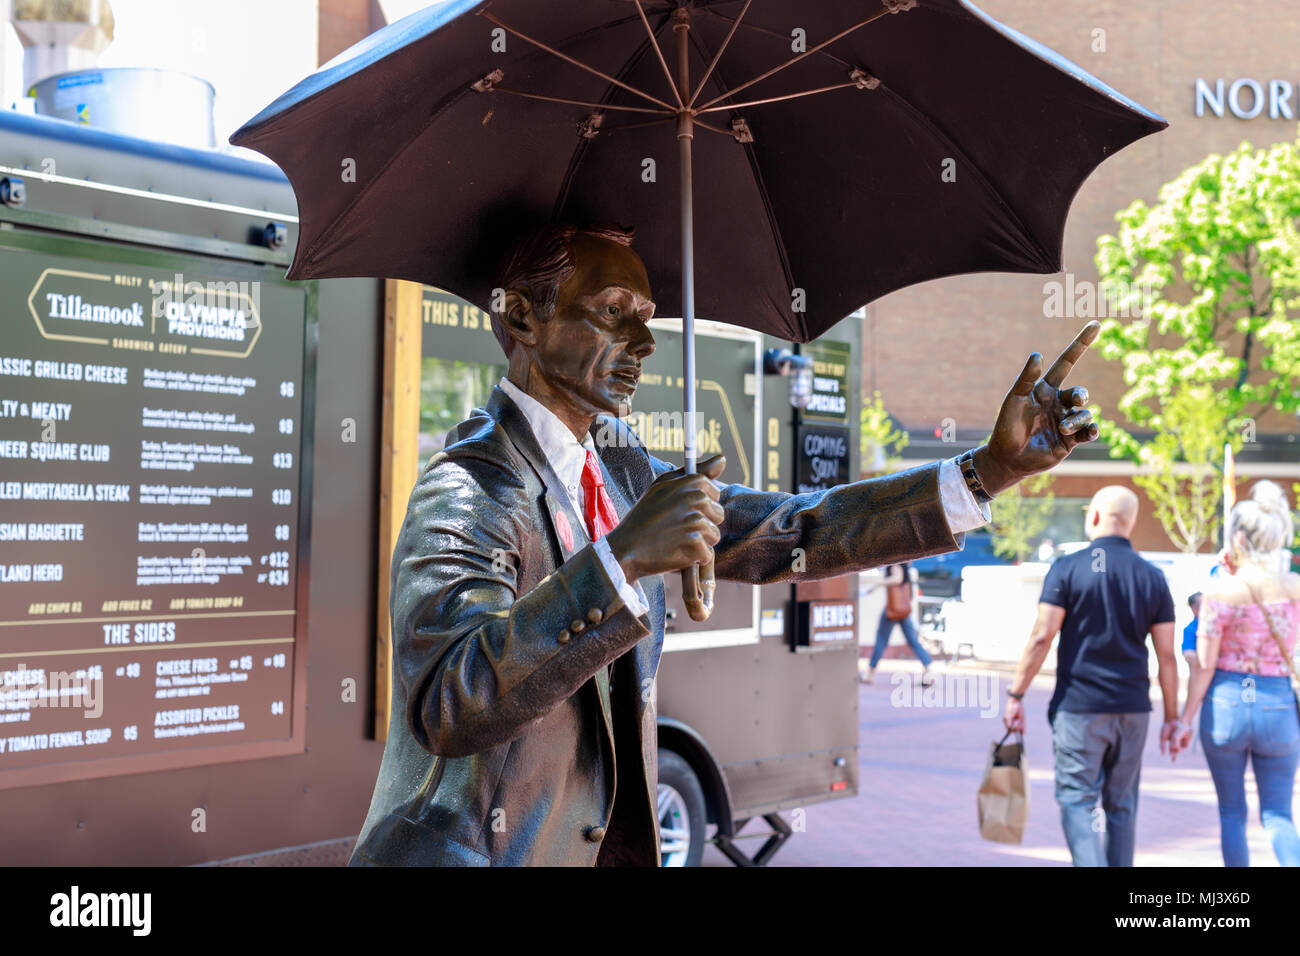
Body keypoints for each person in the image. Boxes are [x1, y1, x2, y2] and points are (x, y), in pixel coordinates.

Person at [350, 222, 1104, 866]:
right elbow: (453, 704)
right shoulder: (468, 490)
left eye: (647, 315)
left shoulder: (621, 469)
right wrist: (624, 561)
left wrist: (985, 471)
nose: (643, 341)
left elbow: (800, 531)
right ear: (520, 318)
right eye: (614, 312)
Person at [1003, 485, 1179, 867]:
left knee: (1076, 799)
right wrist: (1172, 717)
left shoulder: (1067, 569)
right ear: (1131, 523)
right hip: (1133, 711)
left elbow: (1042, 637)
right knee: (1122, 806)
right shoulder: (1153, 578)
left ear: (1095, 516)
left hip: (1080, 709)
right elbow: (1167, 656)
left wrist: (1016, 694)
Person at [1174, 480, 1300, 867]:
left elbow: (1205, 664)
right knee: (1279, 814)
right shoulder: (1295, 588)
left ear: (1238, 540)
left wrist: (1184, 720)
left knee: (1232, 813)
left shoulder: (1219, 593)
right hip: (1278, 704)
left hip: (1227, 702)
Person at [862, 562, 933, 686]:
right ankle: (928, 669)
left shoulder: (896, 562)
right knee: (912, 640)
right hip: (903, 608)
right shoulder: (905, 562)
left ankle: (870, 673)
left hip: (893, 609)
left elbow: (897, 579)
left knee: (881, 639)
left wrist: (878, 584)